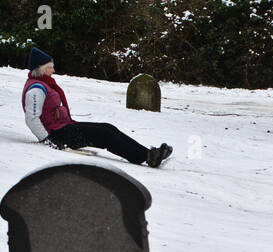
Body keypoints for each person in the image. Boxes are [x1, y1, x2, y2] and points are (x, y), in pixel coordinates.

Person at [22, 47, 171, 167]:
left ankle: (148, 154)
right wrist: (47, 140)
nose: (53, 71)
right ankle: (147, 157)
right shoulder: (36, 89)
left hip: (64, 127)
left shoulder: (44, 84)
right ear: (40, 69)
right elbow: (31, 118)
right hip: (58, 134)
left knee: (108, 128)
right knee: (105, 135)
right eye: (50, 68)